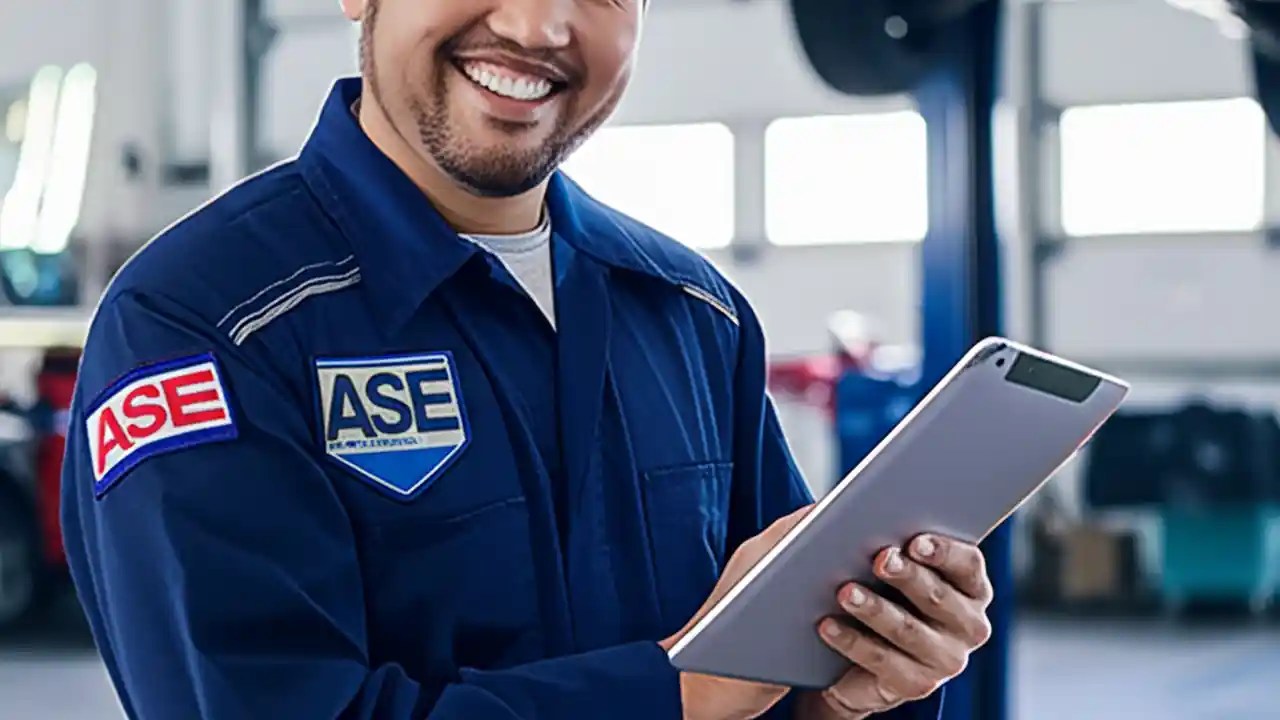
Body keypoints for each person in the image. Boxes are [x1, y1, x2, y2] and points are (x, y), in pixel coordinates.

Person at [60, 2, 994, 718]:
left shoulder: (691, 315)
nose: (538, 24)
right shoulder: (203, 327)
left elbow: (777, 673)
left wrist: (846, 689)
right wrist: (679, 691)